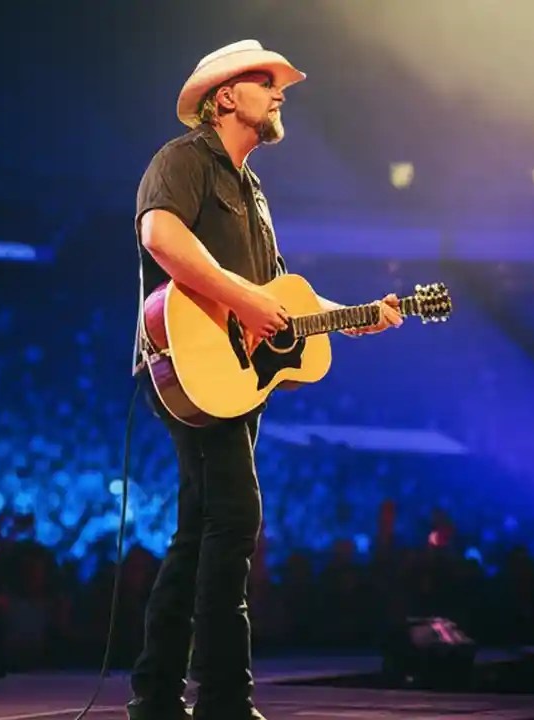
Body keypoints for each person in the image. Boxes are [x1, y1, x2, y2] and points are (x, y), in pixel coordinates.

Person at [127, 40, 403, 720]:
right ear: (225, 97)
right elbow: (160, 236)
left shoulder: (253, 191)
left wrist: (356, 315)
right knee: (236, 518)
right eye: (266, 82)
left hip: (232, 375)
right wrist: (243, 300)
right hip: (187, 361)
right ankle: (224, 700)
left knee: (200, 530)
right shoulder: (183, 160)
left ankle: (155, 697)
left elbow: (281, 297)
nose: (281, 93)